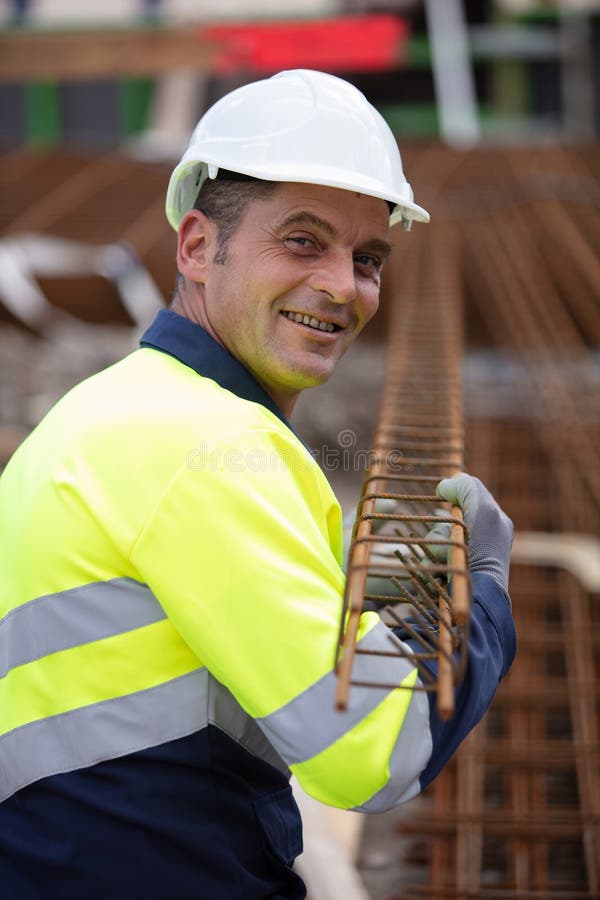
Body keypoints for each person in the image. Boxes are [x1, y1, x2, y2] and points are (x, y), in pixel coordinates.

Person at [0, 69, 516, 900]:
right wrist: (479, 598)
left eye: (368, 257)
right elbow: (374, 752)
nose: (343, 286)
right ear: (198, 246)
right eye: (304, 241)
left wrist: (384, 587)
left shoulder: (106, 408)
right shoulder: (209, 444)